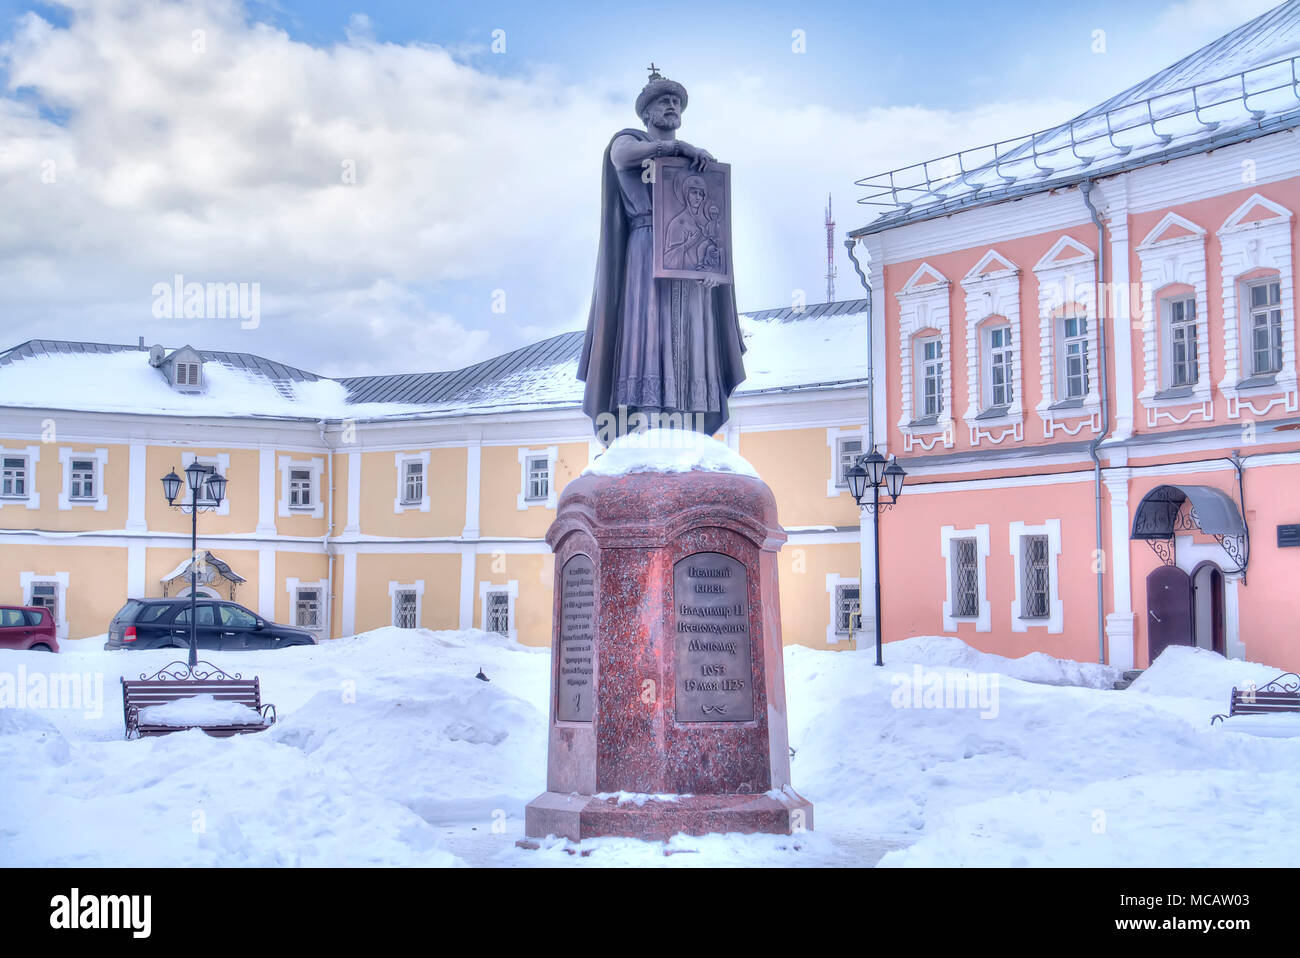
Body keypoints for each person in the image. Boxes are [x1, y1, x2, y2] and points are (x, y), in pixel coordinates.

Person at [578, 67, 746, 440]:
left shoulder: (697, 164)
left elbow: (711, 221)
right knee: (649, 323)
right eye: (663, 101)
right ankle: (646, 411)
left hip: (692, 265)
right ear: (647, 113)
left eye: (676, 102)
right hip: (646, 247)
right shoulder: (630, 139)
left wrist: (714, 268)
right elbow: (622, 157)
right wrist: (675, 148)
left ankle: (686, 410)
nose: (671, 106)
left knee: (692, 331)